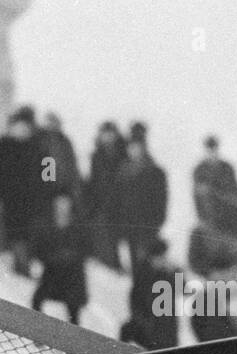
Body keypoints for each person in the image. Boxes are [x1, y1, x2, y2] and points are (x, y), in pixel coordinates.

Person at [188, 135, 237, 278]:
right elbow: (198, 199)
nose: (212, 153)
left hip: (230, 223)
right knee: (214, 265)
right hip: (211, 224)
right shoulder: (200, 170)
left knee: (235, 264)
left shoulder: (227, 168)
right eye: (209, 149)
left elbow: (235, 198)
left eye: (214, 149)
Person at [115, 121, 168, 274]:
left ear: (143, 149)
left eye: (137, 148)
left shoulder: (154, 171)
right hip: (129, 223)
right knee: (135, 262)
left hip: (148, 223)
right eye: (131, 148)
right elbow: (118, 198)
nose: (134, 151)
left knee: (150, 260)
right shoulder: (123, 171)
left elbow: (161, 199)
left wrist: (158, 220)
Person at [30, 193, 90, 324]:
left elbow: (84, 250)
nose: (62, 208)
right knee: (37, 299)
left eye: (65, 205)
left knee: (73, 311)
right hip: (52, 275)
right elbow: (39, 250)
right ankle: (38, 331)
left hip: (72, 278)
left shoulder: (78, 227)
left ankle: (73, 340)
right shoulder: (47, 226)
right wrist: (54, 258)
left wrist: (67, 257)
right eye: (58, 205)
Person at [0, 106, 43, 276]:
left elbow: (49, 167)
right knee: (15, 231)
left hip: (32, 198)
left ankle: (24, 264)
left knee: (28, 232)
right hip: (10, 197)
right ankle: (20, 265)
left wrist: (49, 189)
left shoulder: (38, 146)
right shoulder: (4, 145)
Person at [120, 236, 180, 350]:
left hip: (164, 330)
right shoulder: (143, 275)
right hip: (147, 327)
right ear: (152, 257)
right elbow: (135, 301)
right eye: (160, 257)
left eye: (164, 256)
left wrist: (176, 272)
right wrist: (144, 323)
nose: (163, 260)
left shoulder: (167, 274)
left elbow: (183, 288)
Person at [84, 121, 127, 270]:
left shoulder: (123, 153)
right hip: (101, 201)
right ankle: (110, 265)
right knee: (104, 235)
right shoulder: (96, 155)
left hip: (119, 201)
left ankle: (115, 266)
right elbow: (93, 179)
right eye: (105, 134)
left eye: (110, 134)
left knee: (116, 236)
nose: (107, 137)